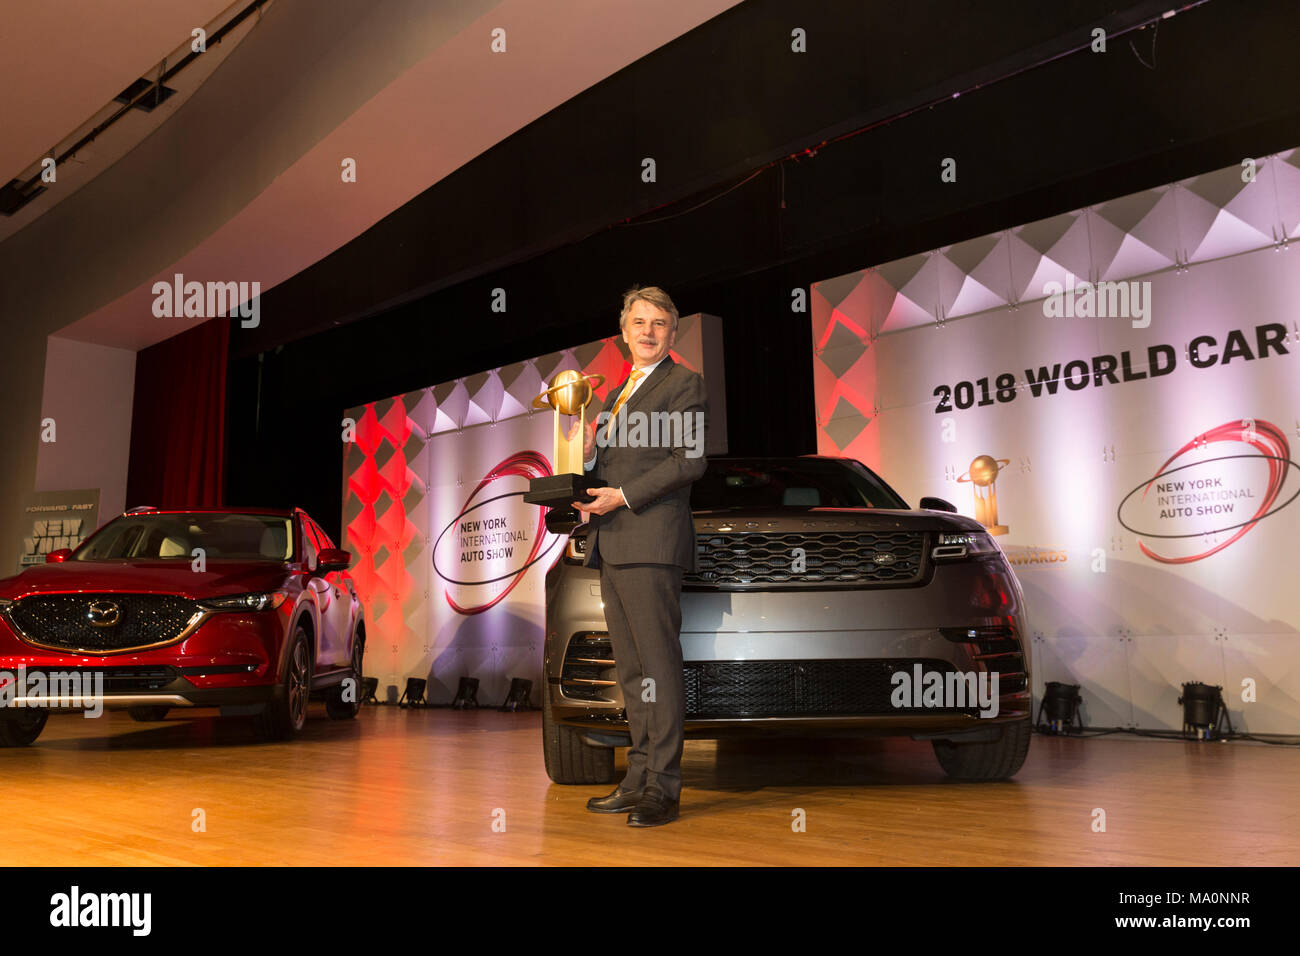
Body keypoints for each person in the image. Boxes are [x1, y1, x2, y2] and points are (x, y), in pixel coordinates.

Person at [568, 285, 708, 827]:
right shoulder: (617, 391)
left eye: (660, 324)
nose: (648, 332)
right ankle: (637, 777)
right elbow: (614, 467)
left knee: (658, 666)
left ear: (672, 334)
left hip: (651, 539)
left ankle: (663, 788)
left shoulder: (683, 383)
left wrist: (621, 496)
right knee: (632, 671)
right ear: (623, 332)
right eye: (639, 322)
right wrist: (586, 472)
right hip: (614, 540)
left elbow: (688, 461)